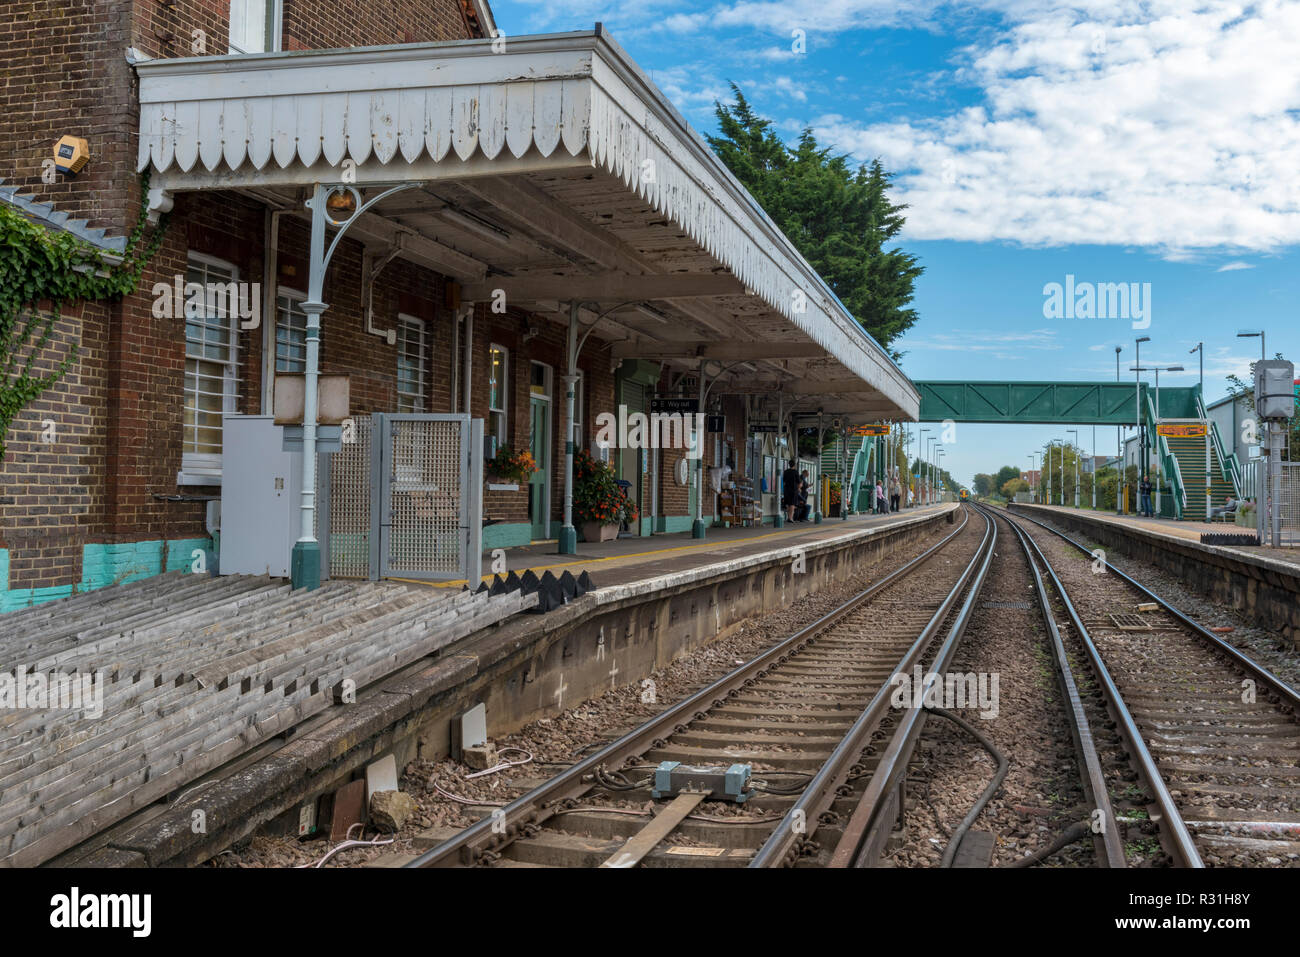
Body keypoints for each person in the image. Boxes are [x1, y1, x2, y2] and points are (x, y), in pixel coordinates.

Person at [782, 460, 802, 524]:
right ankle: (791, 518)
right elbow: (798, 482)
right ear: (794, 465)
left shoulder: (785, 472)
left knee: (788, 503)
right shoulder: (796, 472)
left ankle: (789, 517)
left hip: (787, 489)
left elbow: (784, 480)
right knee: (792, 504)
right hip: (794, 489)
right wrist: (799, 487)